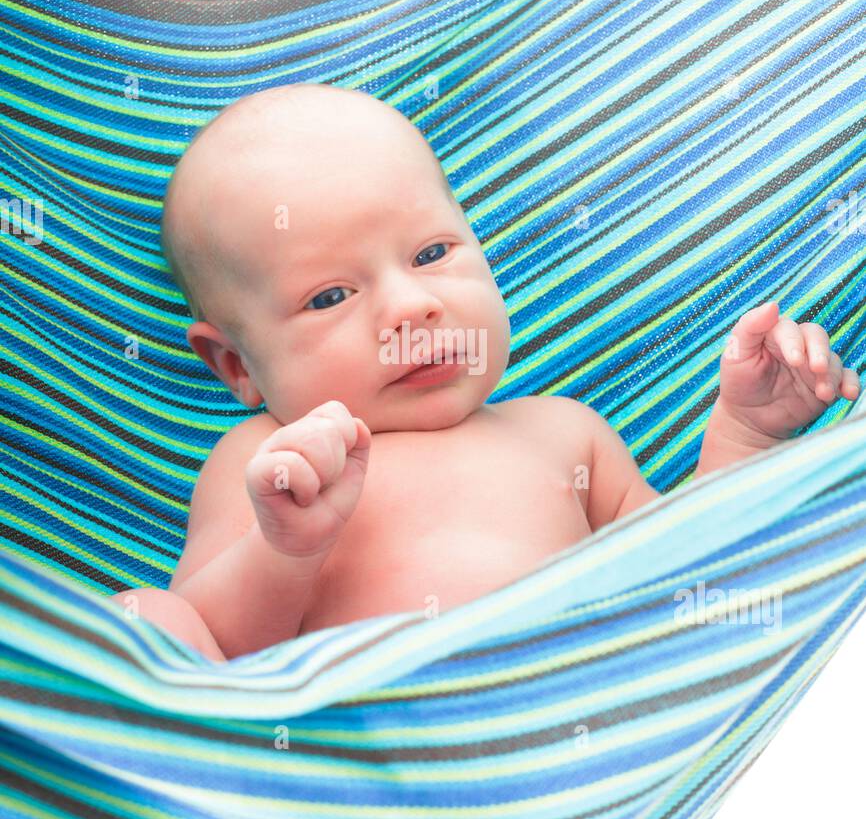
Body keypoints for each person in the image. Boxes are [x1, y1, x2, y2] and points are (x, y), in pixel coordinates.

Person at [111, 83, 861, 660]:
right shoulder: (270, 466)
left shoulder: (563, 433)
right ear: (237, 367)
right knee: (143, 618)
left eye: (432, 254)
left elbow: (683, 569)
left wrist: (743, 436)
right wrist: (284, 549)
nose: (414, 306)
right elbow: (216, 642)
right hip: (350, 763)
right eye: (330, 296)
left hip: (579, 709)